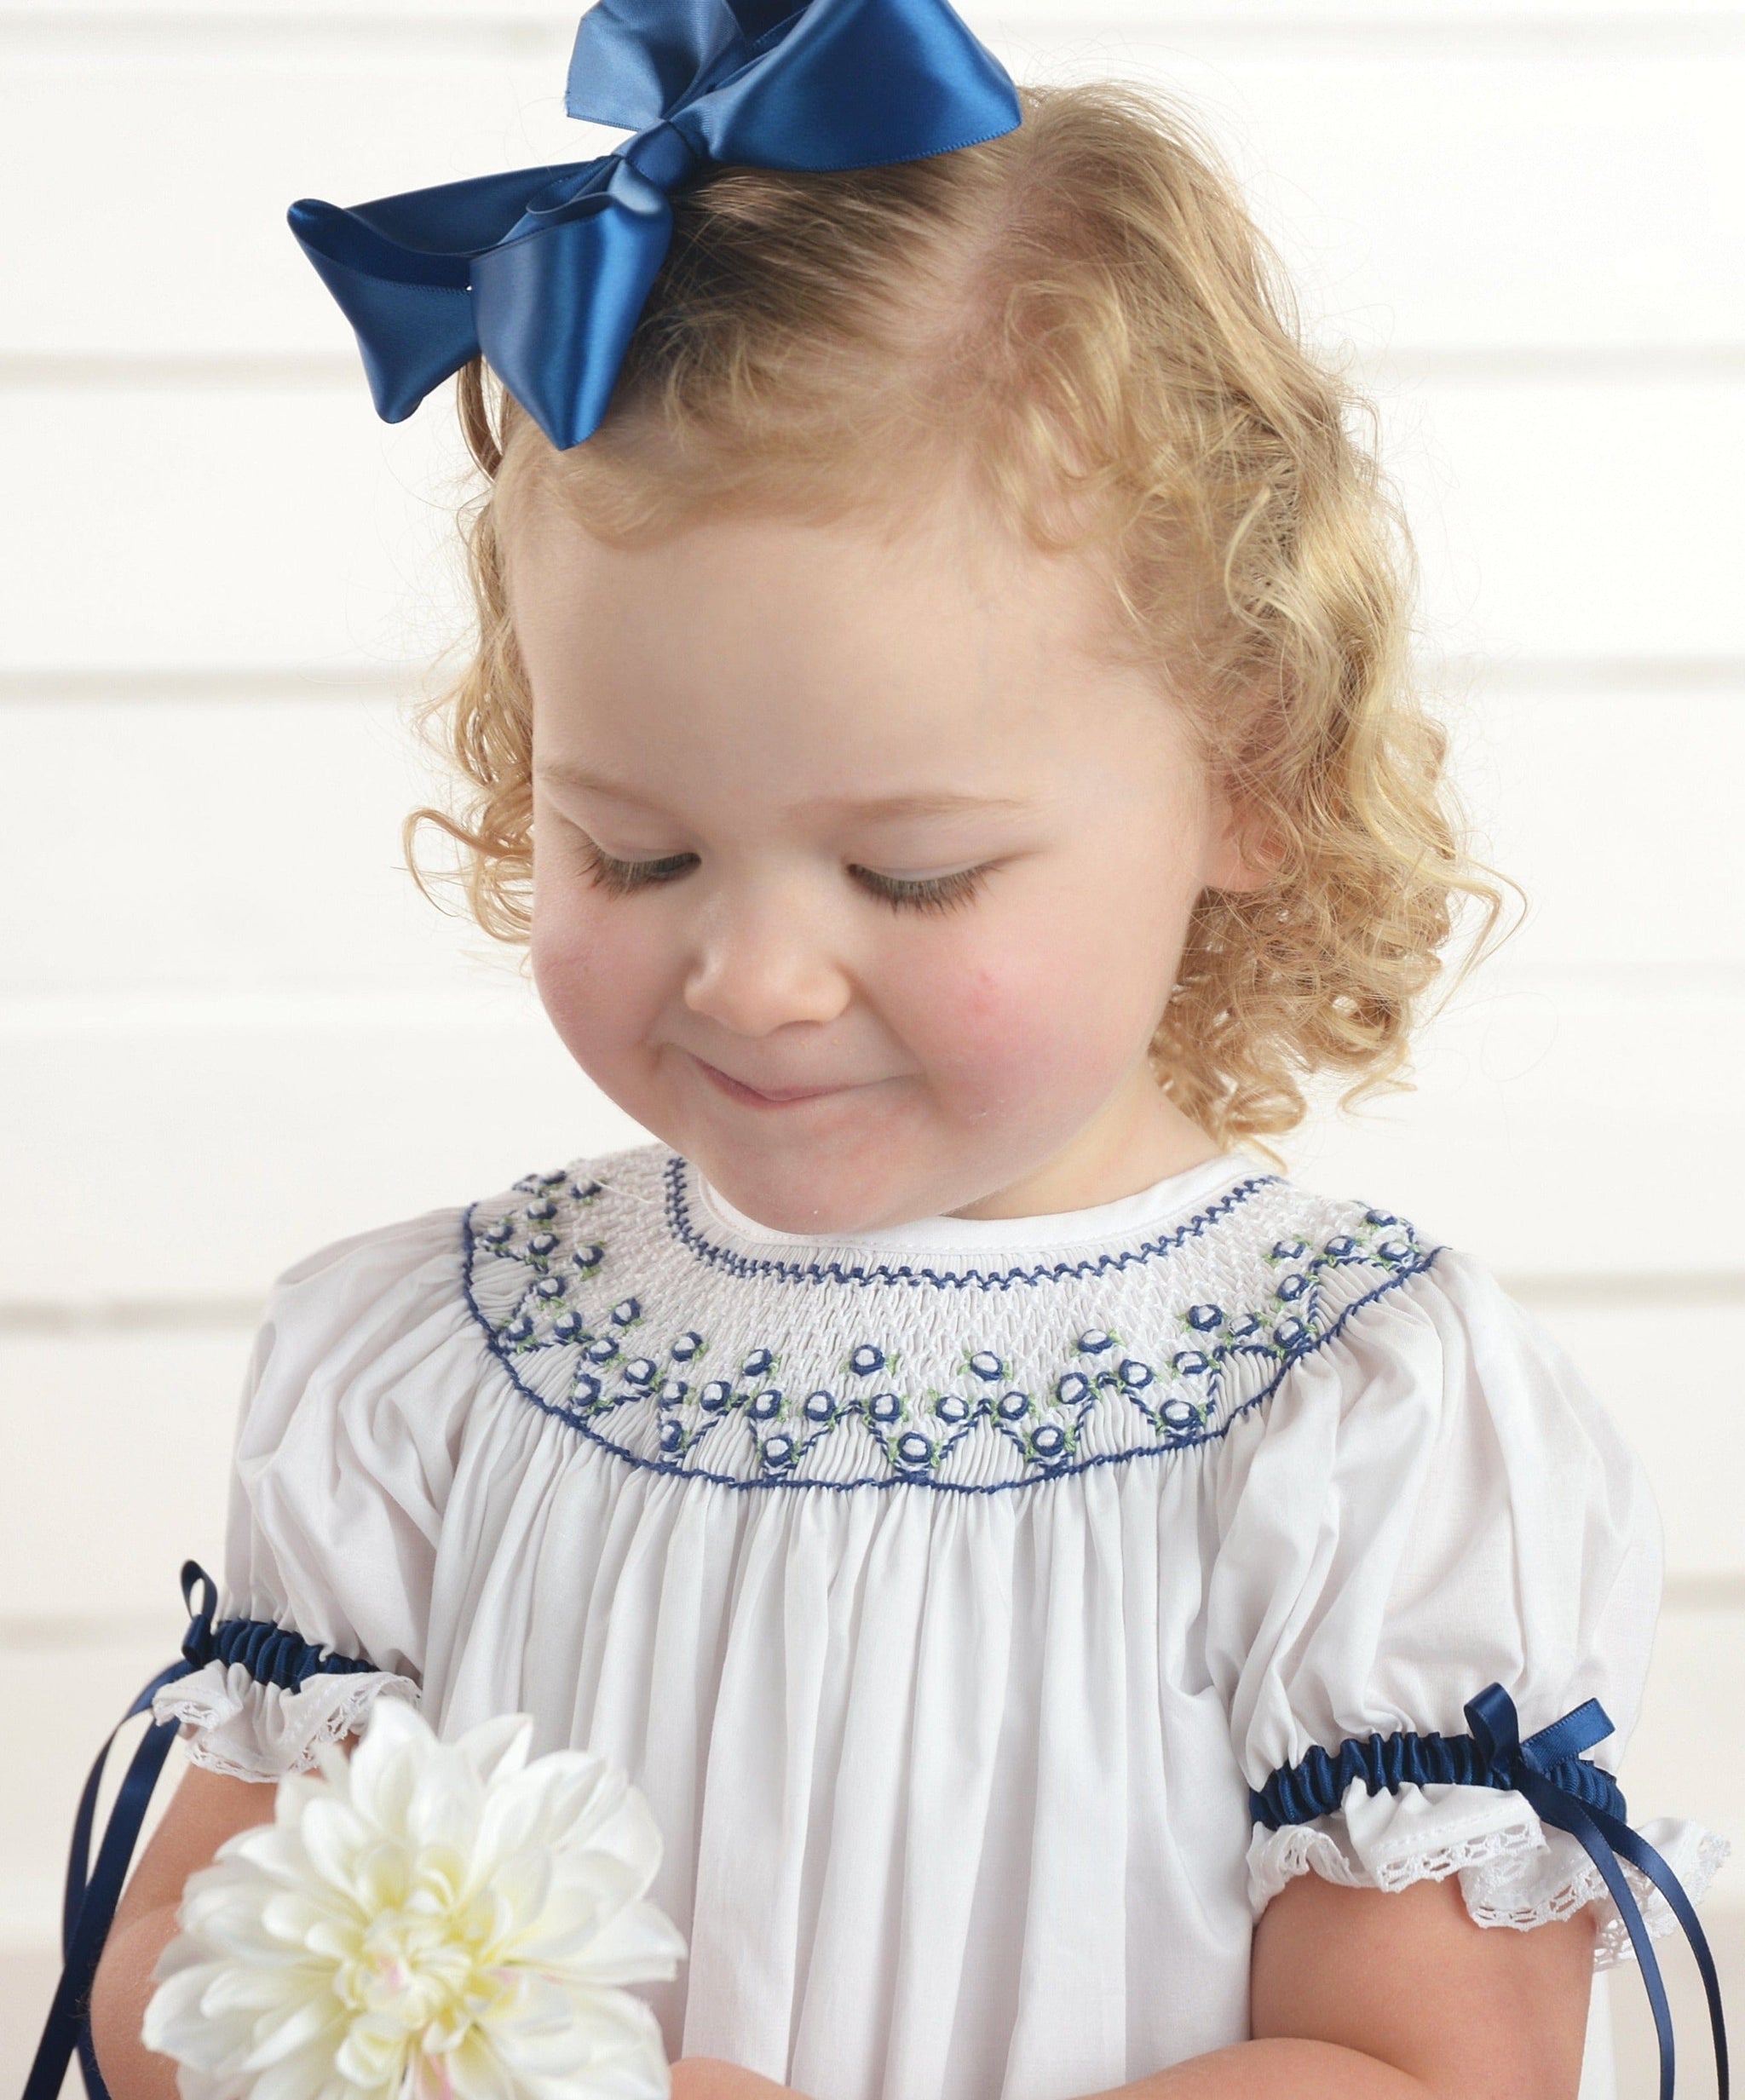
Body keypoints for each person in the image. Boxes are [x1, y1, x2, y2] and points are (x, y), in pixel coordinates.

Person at [79, 3, 1726, 2097]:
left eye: (918, 877)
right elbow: (170, 1975)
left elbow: (1420, 2073)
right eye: (638, 847)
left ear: (1252, 777)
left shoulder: (1346, 1428)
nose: (755, 975)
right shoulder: (434, 1374)